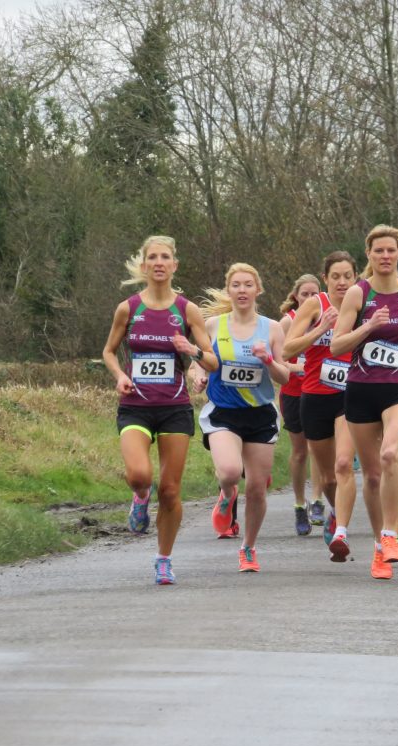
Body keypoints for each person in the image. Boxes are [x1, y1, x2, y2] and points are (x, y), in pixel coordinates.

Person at [102, 235, 217, 586]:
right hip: (135, 406)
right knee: (140, 475)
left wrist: (192, 352)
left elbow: (212, 360)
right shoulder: (129, 308)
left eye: (165, 257)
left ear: (174, 265)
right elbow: (108, 351)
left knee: (170, 490)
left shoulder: (186, 310)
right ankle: (139, 497)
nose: (158, 263)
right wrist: (121, 375)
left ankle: (164, 559)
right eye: (152, 257)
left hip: (174, 408)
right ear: (144, 265)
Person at [329, 225, 398, 580]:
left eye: (391, 250)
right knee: (373, 475)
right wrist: (368, 326)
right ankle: (380, 546)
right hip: (362, 389)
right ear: (369, 255)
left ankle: (392, 534)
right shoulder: (358, 294)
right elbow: (336, 345)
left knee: (391, 453)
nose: (385, 256)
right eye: (379, 251)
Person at [189, 263, 289, 573]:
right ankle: (227, 492)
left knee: (257, 488)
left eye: (248, 285)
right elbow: (198, 361)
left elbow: (284, 376)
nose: (242, 290)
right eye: (236, 285)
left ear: (258, 290)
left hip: (259, 415)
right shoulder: (212, 326)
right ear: (229, 290)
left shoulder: (272, 328)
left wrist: (268, 360)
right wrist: (198, 375)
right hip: (223, 412)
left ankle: (248, 547)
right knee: (231, 472)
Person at [283, 252, 359, 560]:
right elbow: (288, 348)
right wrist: (320, 328)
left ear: (356, 278)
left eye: (348, 276)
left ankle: (341, 528)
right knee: (327, 477)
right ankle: (334, 511)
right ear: (325, 279)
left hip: (351, 394)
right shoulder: (316, 305)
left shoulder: (362, 303)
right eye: (336, 277)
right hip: (314, 395)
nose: (342, 282)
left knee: (343, 465)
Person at [278, 274, 324, 535]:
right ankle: (298, 503)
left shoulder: (328, 317)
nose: (310, 298)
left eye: (314, 294)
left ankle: (317, 500)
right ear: (296, 296)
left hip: (320, 391)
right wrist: (299, 367)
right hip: (294, 392)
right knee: (299, 451)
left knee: (318, 447)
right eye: (305, 294)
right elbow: (278, 359)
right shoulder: (288, 322)